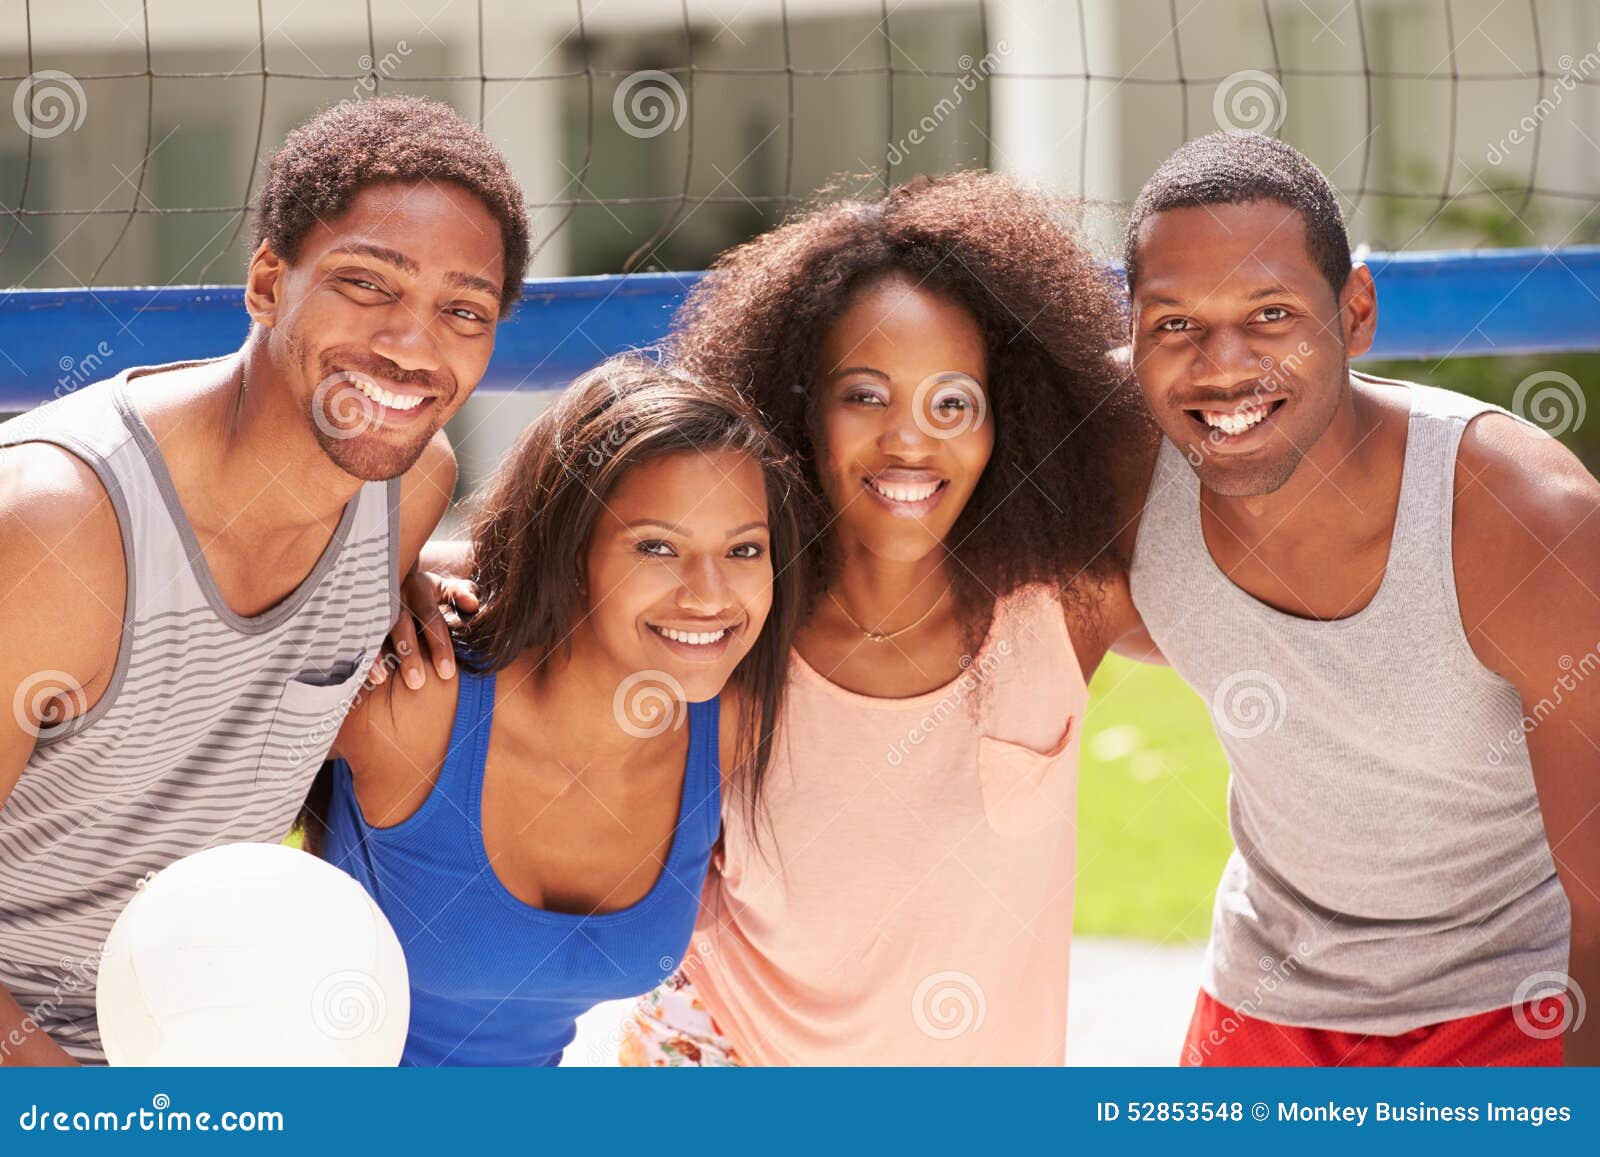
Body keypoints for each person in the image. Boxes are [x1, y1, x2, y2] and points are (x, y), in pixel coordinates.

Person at [379, 172, 1153, 1063]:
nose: (909, 439)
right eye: (864, 394)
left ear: (1007, 419)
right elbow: (580, 562)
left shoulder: (1068, 608)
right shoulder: (728, 630)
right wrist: (409, 573)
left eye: (954, 403)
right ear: (800, 407)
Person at [0, 95, 529, 1065]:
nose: (413, 345)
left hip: (212, 1038)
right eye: (369, 283)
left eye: (463, 309)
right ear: (265, 282)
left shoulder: (411, 487)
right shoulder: (50, 524)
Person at [1121, 131, 1600, 1066]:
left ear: (1357, 310)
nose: (1221, 366)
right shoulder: (1112, 467)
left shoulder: (1527, 523)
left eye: (1269, 313)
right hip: (1261, 998)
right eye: (1174, 322)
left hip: (1514, 1005)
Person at [305, 355, 804, 1066]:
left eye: (744, 549)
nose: (709, 594)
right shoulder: (420, 692)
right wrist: (388, 573)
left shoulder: (731, 725)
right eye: (657, 546)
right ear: (571, 554)